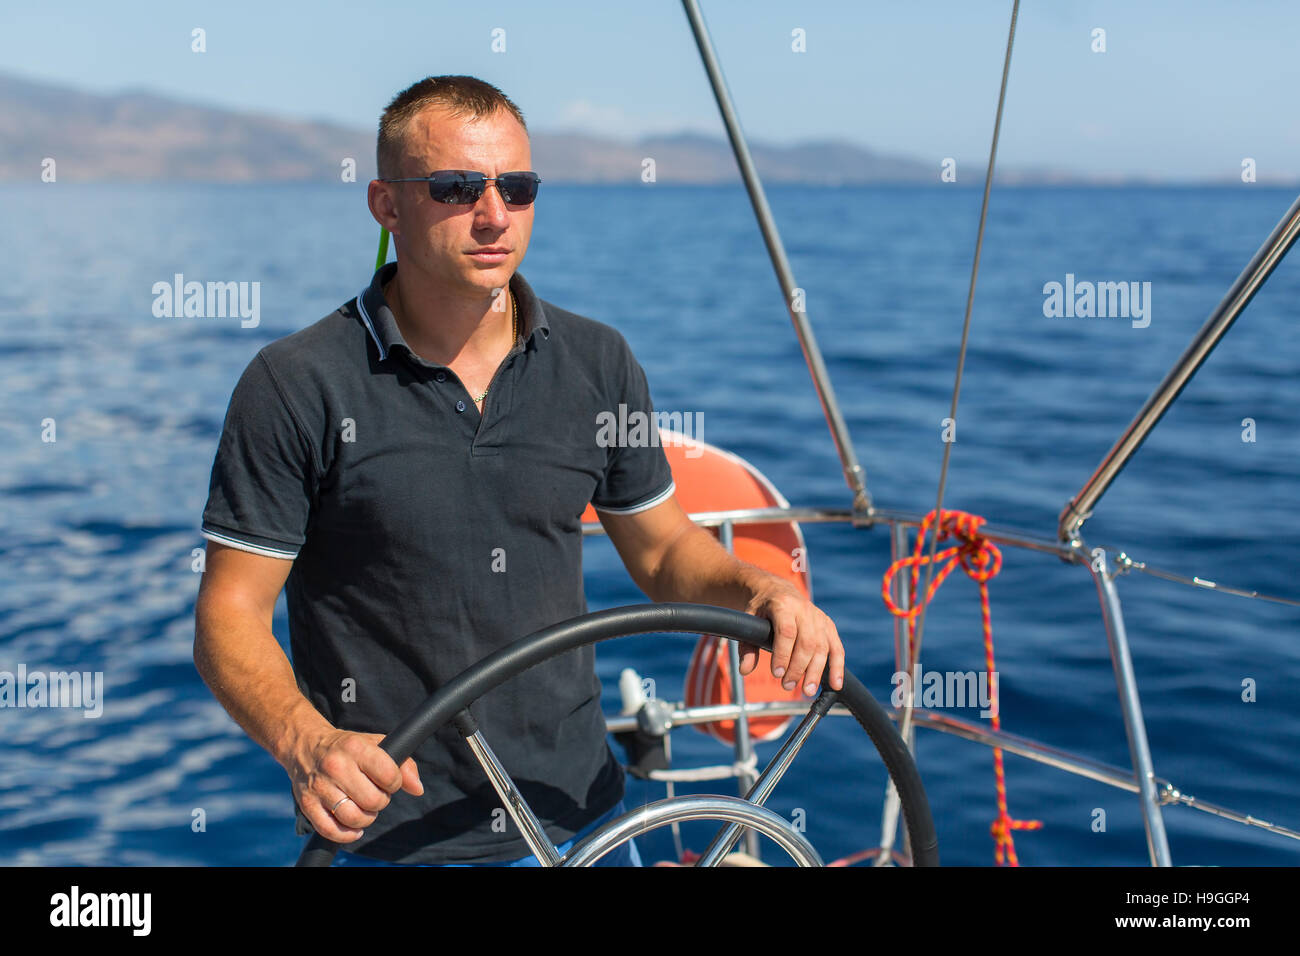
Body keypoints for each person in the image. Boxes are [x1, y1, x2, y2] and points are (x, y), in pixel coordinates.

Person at [192, 75, 845, 867]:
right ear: (386, 205)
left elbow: (665, 552)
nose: (495, 214)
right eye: (456, 188)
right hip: (389, 841)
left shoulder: (598, 362)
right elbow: (229, 616)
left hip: (584, 820)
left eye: (518, 187)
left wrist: (760, 591)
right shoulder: (296, 383)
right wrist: (307, 743)